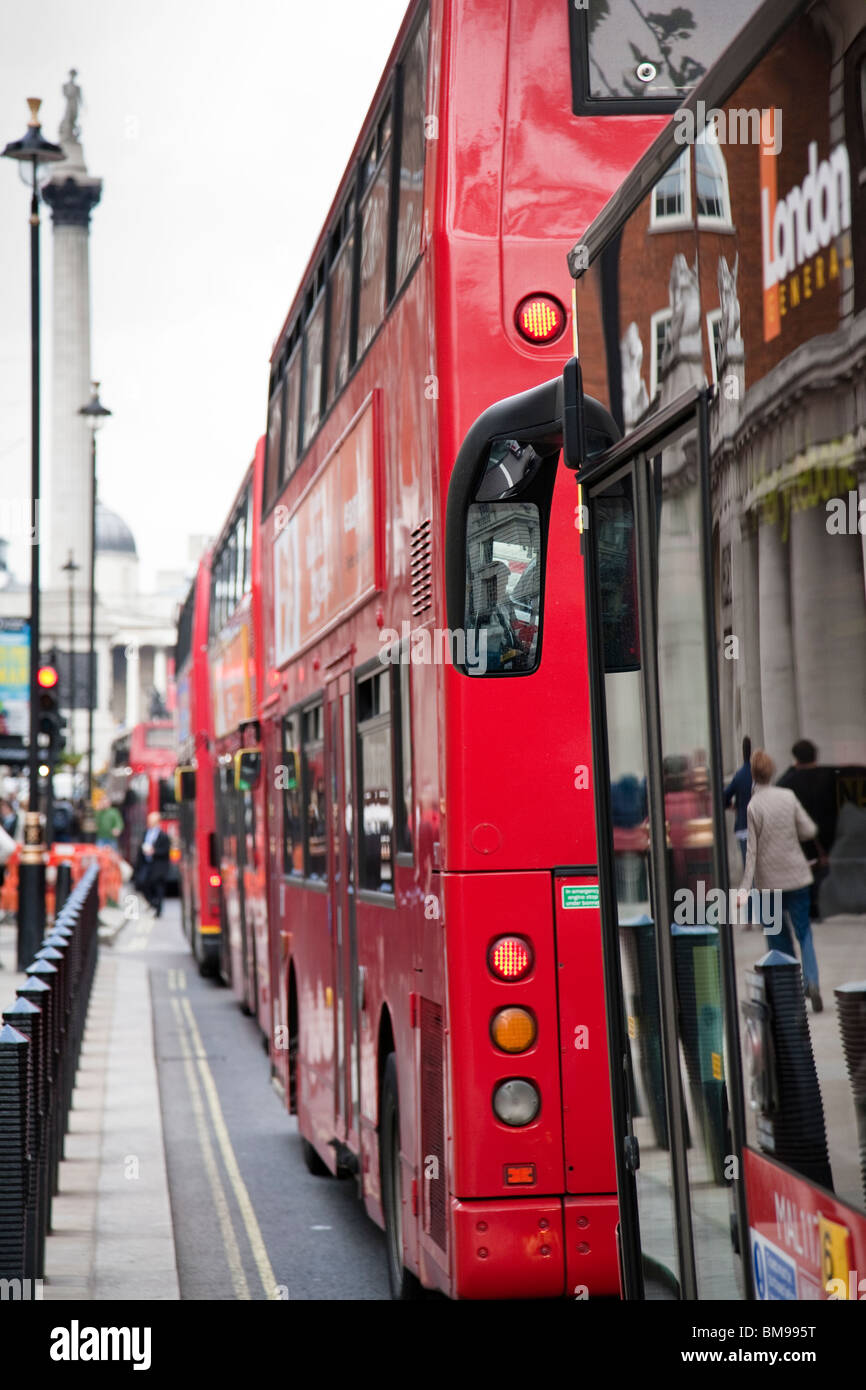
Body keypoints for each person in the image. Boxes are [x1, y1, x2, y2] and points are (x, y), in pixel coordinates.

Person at [740, 749, 824, 1012]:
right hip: (796, 874)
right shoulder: (787, 797)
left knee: (777, 935)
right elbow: (809, 829)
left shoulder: (753, 806)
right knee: (804, 932)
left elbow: (751, 851)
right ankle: (812, 981)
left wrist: (744, 887)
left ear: (753, 775)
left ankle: (789, 991)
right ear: (773, 772)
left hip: (769, 882)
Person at [776, 738, 834, 919]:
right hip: (826, 832)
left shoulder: (790, 781)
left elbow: (779, 788)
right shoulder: (828, 777)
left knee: (806, 871)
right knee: (820, 870)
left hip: (800, 834)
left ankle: (809, 906)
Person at [134, 812, 171, 918]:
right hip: (146, 863)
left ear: (157, 822)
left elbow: (165, 850)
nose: (149, 823)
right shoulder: (145, 833)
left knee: (158, 886)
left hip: (158, 865)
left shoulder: (163, 836)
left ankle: (158, 909)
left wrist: (154, 851)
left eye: (152, 821)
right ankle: (153, 903)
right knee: (141, 883)